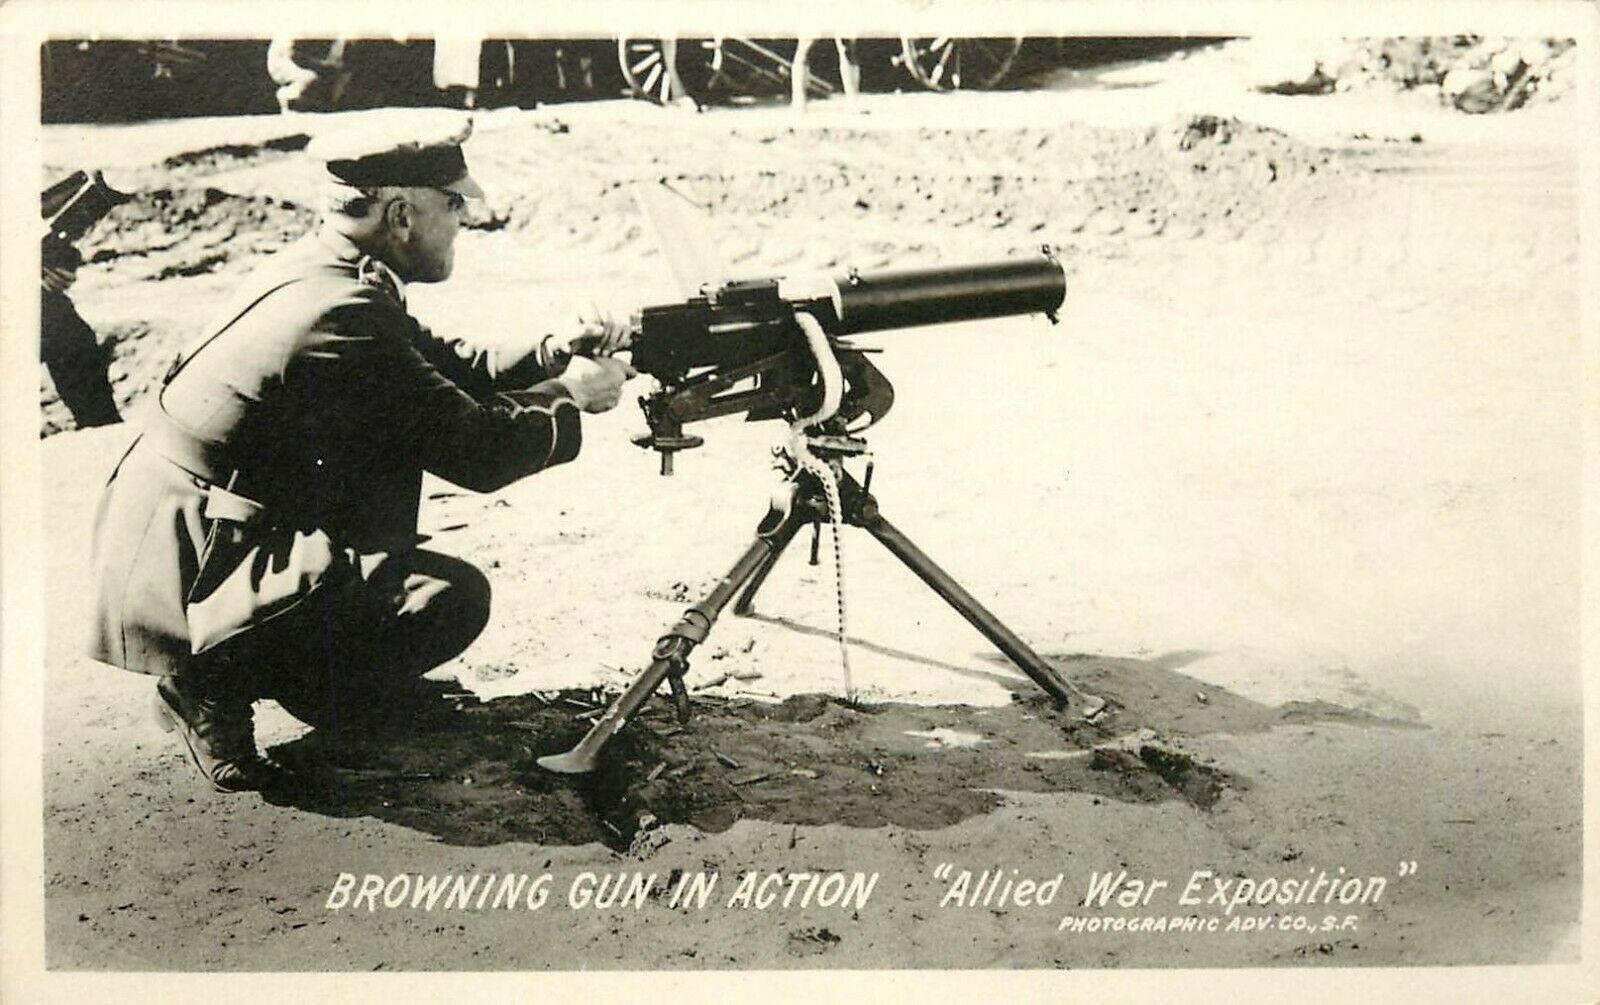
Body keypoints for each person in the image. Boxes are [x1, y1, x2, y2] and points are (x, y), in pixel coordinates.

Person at [88, 119, 634, 793]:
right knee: (447, 599)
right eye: (453, 203)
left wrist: (552, 352)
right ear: (401, 215)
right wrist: (569, 398)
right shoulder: (342, 310)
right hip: (197, 557)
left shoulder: (331, 272)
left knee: (400, 520)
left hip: (207, 522)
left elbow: (445, 367)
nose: (464, 219)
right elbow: (477, 451)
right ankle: (206, 684)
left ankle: (331, 689)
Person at [41, 234, 121, 430]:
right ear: (46, 271)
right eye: (67, 273)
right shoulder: (45, 304)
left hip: (88, 383)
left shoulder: (57, 300)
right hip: (81, 386)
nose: (73, 279)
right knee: (102, 425)